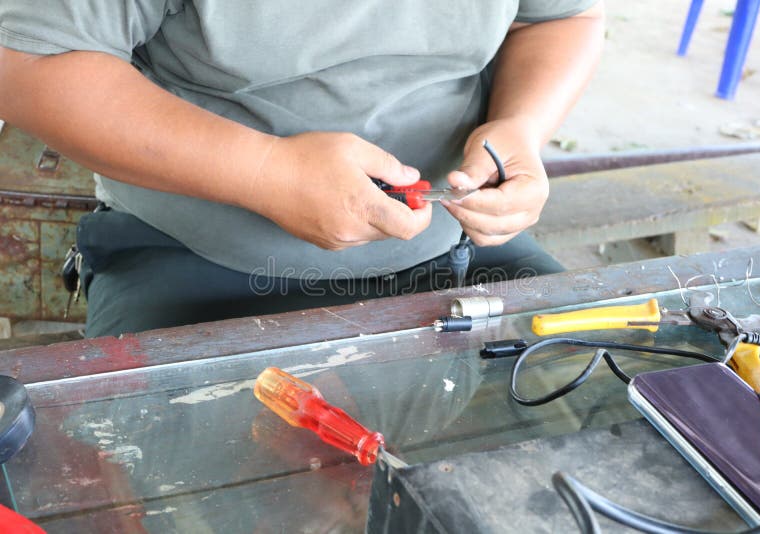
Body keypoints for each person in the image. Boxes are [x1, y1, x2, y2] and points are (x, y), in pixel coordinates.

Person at [0, 1, 605, 337]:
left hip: (459, 246)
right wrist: (263, 171)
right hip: (189, 256)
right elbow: (26, 60)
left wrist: (522, 126)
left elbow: (560, 17)